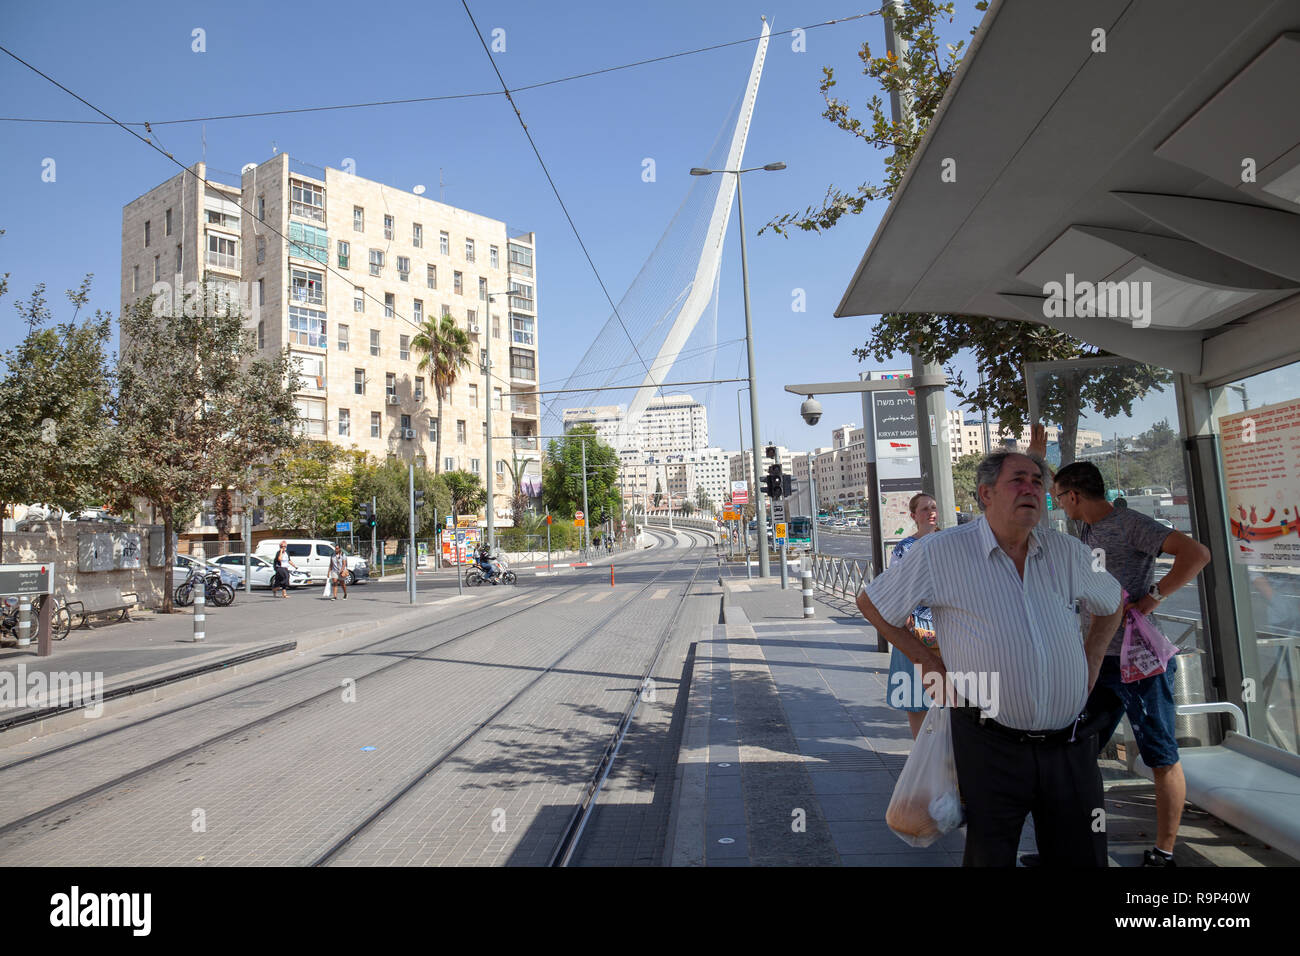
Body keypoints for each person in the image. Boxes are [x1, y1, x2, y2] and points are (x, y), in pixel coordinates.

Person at [856, 450, 1122, 867]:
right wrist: (929, 663)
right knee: (990, 854)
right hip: (989, 742)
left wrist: (1091, 659)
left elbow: (1112, 602)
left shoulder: (1066, 551)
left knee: (1083, 856)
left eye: (1037, 481)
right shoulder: (941, 552)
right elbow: (871, 603)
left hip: (1070, 745)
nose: (1031, 488)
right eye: (1018, 480)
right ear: (985, 493)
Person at [1051, 460, 1210, 867]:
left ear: (1073, 495)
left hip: (1137, 661)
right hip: (1098, 659)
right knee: (1075, 749)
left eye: (1058, 496)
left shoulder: (1128, 523)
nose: (1057, 504)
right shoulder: (1086, 529)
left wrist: (1154, 596)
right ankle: (1075, 847)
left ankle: (1165, 852)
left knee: (1160, 755)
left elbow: (1196, 554)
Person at [886, 493, 942, 739]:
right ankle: (920, 751)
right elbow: (895, 588)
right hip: (914, 628)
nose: (931, 512)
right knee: (913, 693)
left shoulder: (947, 542)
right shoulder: (904, 548)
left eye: (933, 507)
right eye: (924, 509)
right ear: (913, 516)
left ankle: (945, 749)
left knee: (947, 692)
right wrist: (907, 621)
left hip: (944, 626)